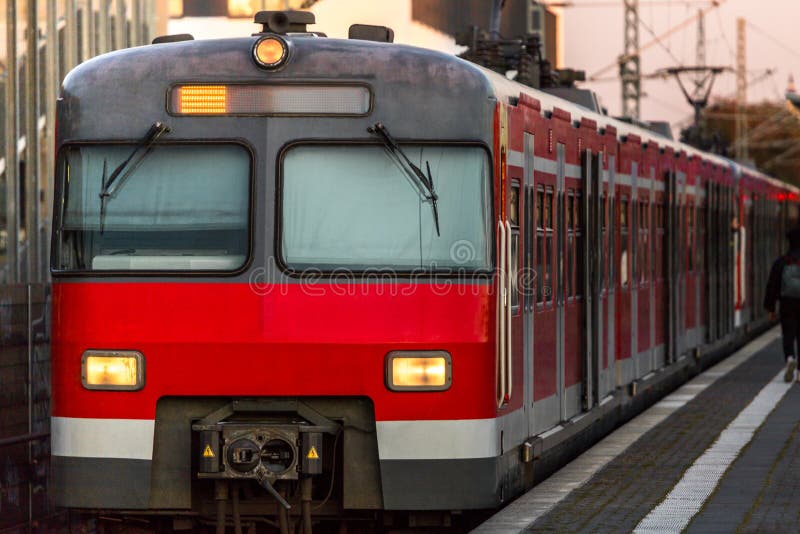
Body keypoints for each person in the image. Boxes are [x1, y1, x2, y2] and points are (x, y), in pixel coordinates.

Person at [765, 227, 800, 382]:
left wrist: (771, 308)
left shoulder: (782, 262)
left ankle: (790, 358)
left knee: (788, 334)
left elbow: (772, 286)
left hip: (787, 303)